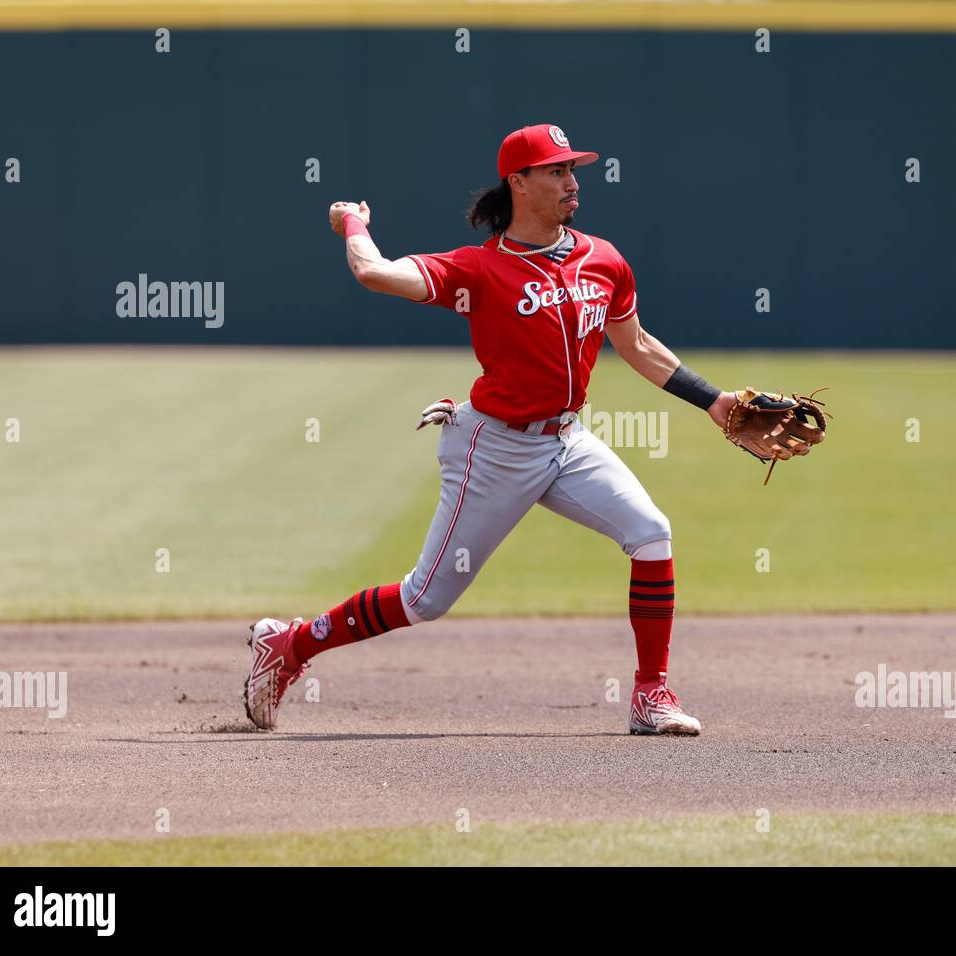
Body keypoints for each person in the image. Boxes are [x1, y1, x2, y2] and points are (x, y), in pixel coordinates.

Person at [244, 123, 742, 736]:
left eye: (573, 169)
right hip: (495, 447)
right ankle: (292, 644)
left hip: (567, 440)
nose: (571, 181)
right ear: (519, 182)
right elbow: (375, 274)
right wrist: (354, 224)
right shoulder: (478, 270)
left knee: (651, 533)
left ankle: (650, 696)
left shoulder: (604, 260)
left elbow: (635, 345)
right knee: (425, 599)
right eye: (556, 170)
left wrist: (714, 401)